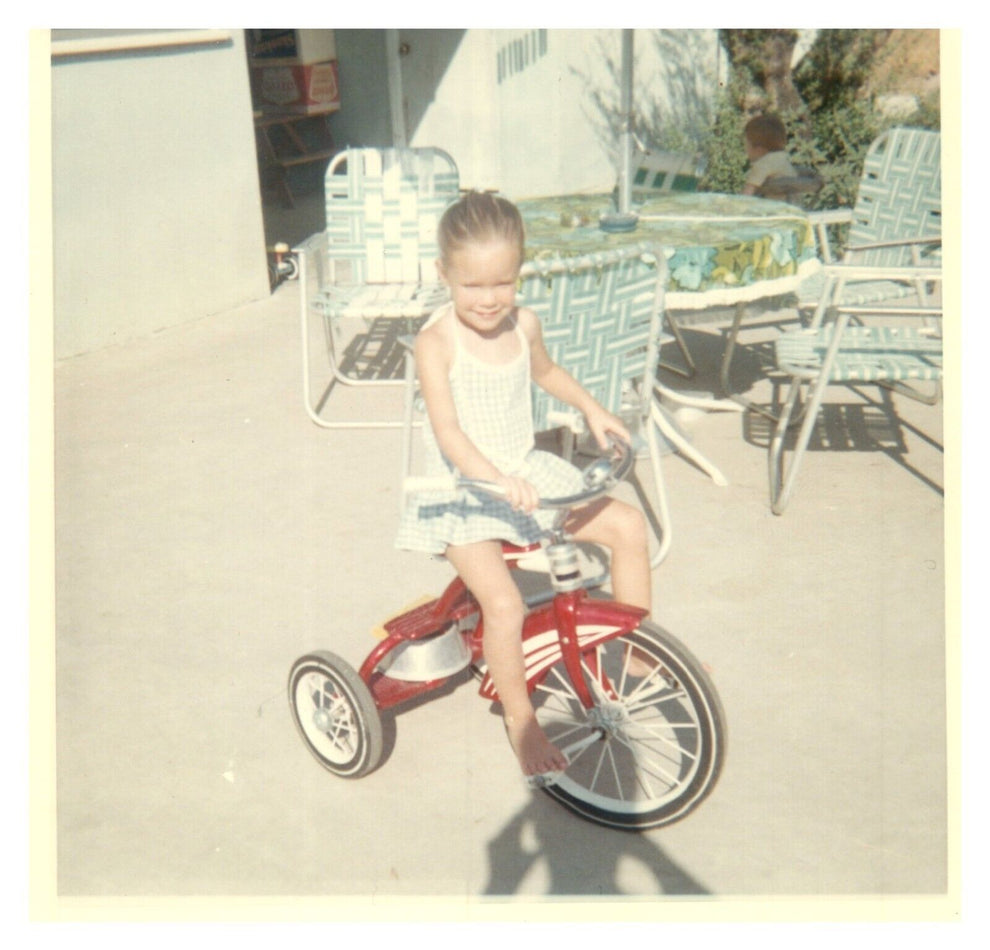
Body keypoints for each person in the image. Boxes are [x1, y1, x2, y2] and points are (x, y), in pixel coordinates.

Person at [396, 191, 653, 779]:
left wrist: (593, 410)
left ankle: (638, 663)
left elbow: (547, 373)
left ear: (519, 273)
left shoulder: (525, 324)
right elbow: (450, 432)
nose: (489, 301)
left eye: (502, 283)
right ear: (444, 276)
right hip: (462, 490)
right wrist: (495, 478)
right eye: (472, 286)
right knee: (505, 605)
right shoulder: (435, 344)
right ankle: (521, 721)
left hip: (521, 470)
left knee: (627, 525)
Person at [741, 113, 798, 196]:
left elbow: (746, 195)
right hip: (792, 206)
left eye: (747, 145)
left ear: (758, 148)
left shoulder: (763, 164)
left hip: (773, 208)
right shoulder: (782, 157)